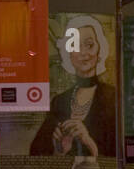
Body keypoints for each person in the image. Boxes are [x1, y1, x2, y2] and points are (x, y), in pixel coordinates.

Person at [29, 14, 116, 157]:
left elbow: (121, 155)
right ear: (69, 53)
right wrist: (59, 151)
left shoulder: (113, 97)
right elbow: (36, 153)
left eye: (89, 45)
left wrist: (89, 142)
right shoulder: (59, 101)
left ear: (99, 50)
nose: (83, 53)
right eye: (75, 45)